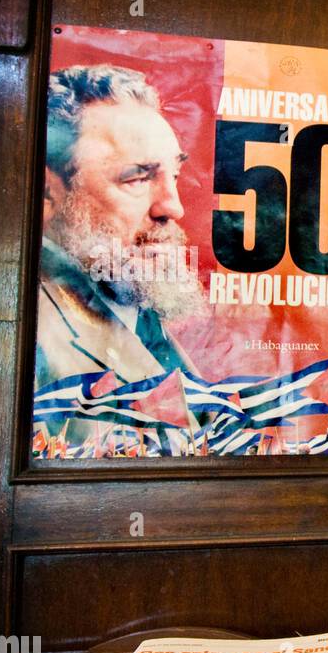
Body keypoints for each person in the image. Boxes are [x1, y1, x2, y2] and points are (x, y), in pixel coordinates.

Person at [35, 64, 206, 442]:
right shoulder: (24, 335)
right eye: (138, 177)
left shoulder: (133, 307)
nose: (172, 207)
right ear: (47, 192)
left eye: (173, 175)